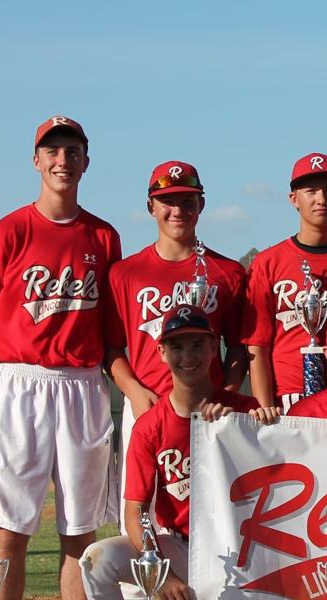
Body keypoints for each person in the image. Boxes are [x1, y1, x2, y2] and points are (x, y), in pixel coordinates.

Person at [0, 115, 122, 600]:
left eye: (72, 150)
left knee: (80, 529)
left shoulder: (103, 237)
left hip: (82, 383)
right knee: (10, 531)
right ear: (37, 161)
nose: (62, 160)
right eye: (52, 151)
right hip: (23, 382)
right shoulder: (9, 231)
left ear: (85, 161)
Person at [79, 306, 276, 600]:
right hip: (178, 548)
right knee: (97, 560)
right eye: (177, 346)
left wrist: (257, 425)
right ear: (163, 353)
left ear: (214, 349)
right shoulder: (151, 426)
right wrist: (161, 570)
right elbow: (135, 513)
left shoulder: (241, 408)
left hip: (237, 553)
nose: (188, 355)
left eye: (198, 344)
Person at [105, 161, 247, 522]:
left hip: (209, 413)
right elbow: (111, 349)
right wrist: (135, 393)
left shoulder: (227, 272)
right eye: (167, 201)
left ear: (201, 205)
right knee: (140, 520)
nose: (178, 211)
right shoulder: (125, 273)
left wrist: (224, 396)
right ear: (151, 206)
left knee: (218, 518)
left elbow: (239, 347)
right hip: (147, 409)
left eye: (188, 200)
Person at [243, 153, 327, 413]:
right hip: (286, 398)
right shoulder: (268, 263)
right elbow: (257, 346)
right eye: (311, 191)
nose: (321, 199)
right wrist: (265, 407)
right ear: (294, 199)